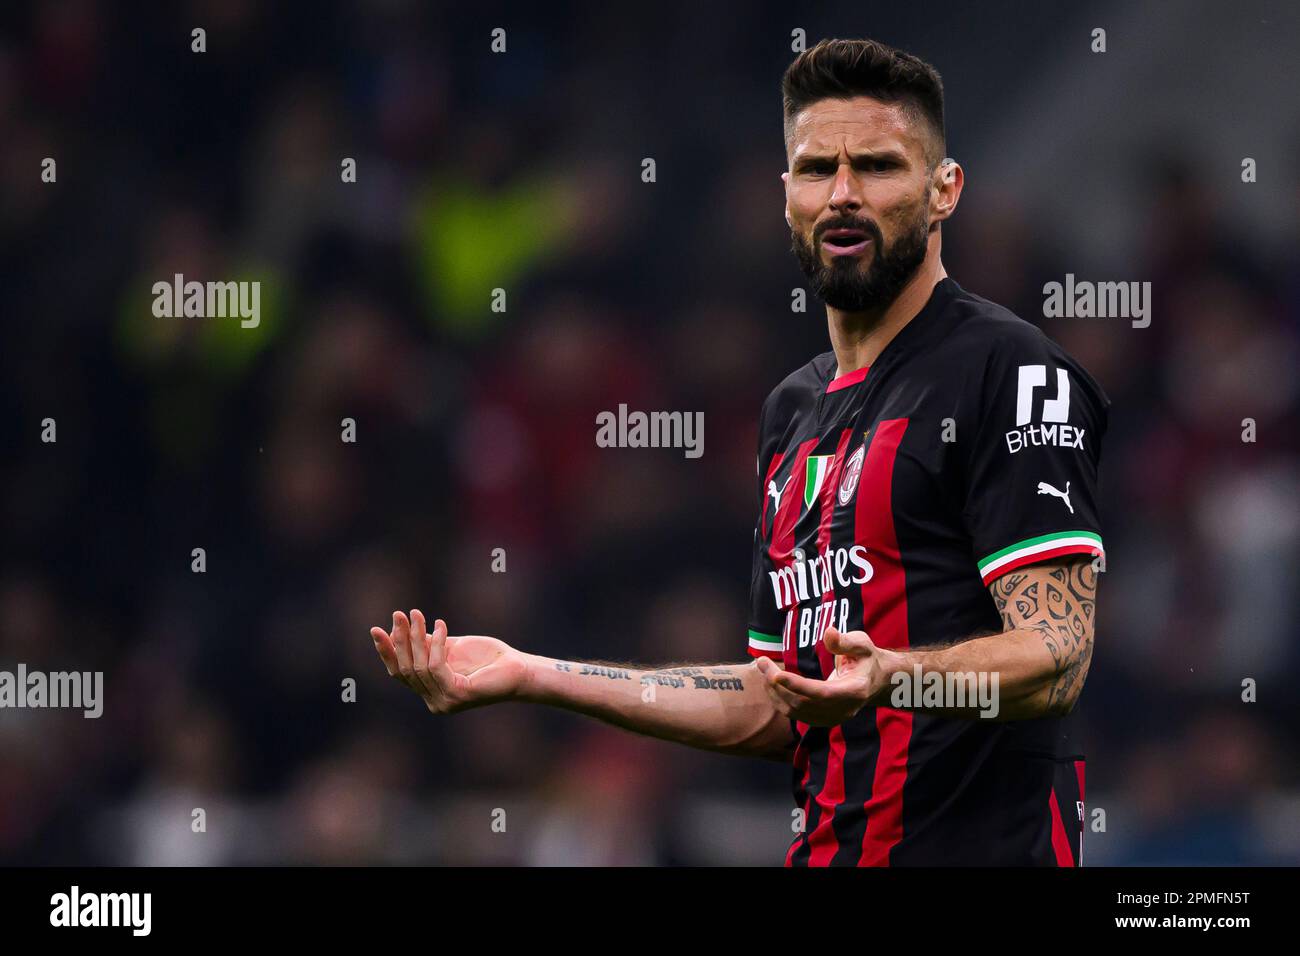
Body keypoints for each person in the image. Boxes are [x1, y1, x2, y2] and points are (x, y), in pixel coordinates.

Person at [370, 37, 1106, 866]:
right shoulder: (792, 412)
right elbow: (772, 704)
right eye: (816, 168)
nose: (844, 194)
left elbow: (1056, 657)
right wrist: (530, 673)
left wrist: (897, 676)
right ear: (785, 194)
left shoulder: (1009, 371)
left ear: (944, 191)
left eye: (878, 166)